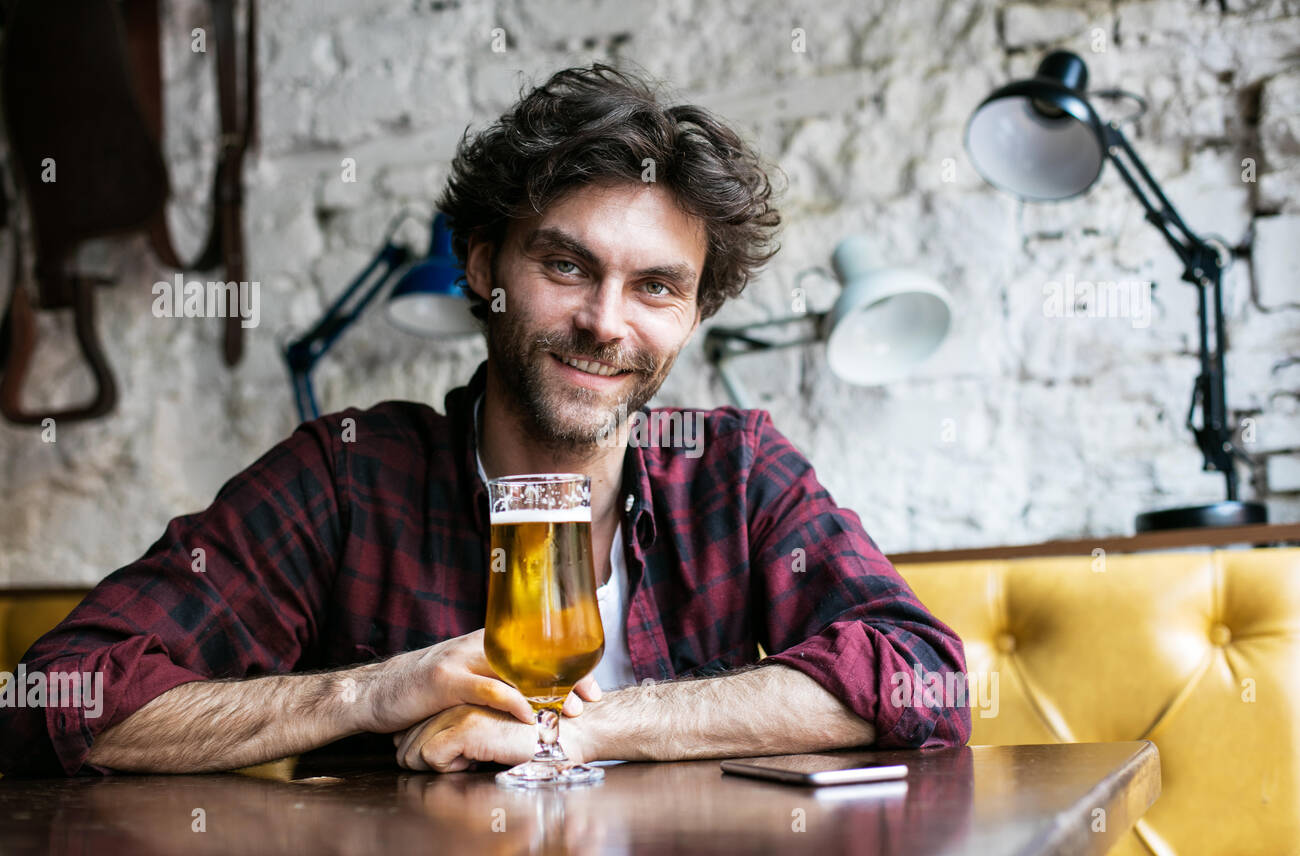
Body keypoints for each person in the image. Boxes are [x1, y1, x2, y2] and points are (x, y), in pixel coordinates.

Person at [0, 63, 970, 778]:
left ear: (692, 314)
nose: (604, 320)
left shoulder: (735, 471)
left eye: (656, 287)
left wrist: (586, 727)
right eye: (564, 265)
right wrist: (369, 692)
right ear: (478, 266)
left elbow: (924, 676)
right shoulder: (348, 477)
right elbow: (59, 692)